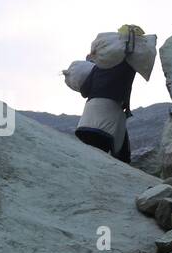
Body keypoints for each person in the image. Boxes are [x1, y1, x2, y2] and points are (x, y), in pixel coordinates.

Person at [66, 25, 157, 163]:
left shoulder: (98, 67)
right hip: (109, 117)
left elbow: (85, 91)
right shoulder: (128, 66)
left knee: (101, 156)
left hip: (87, 119)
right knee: (120, 158)